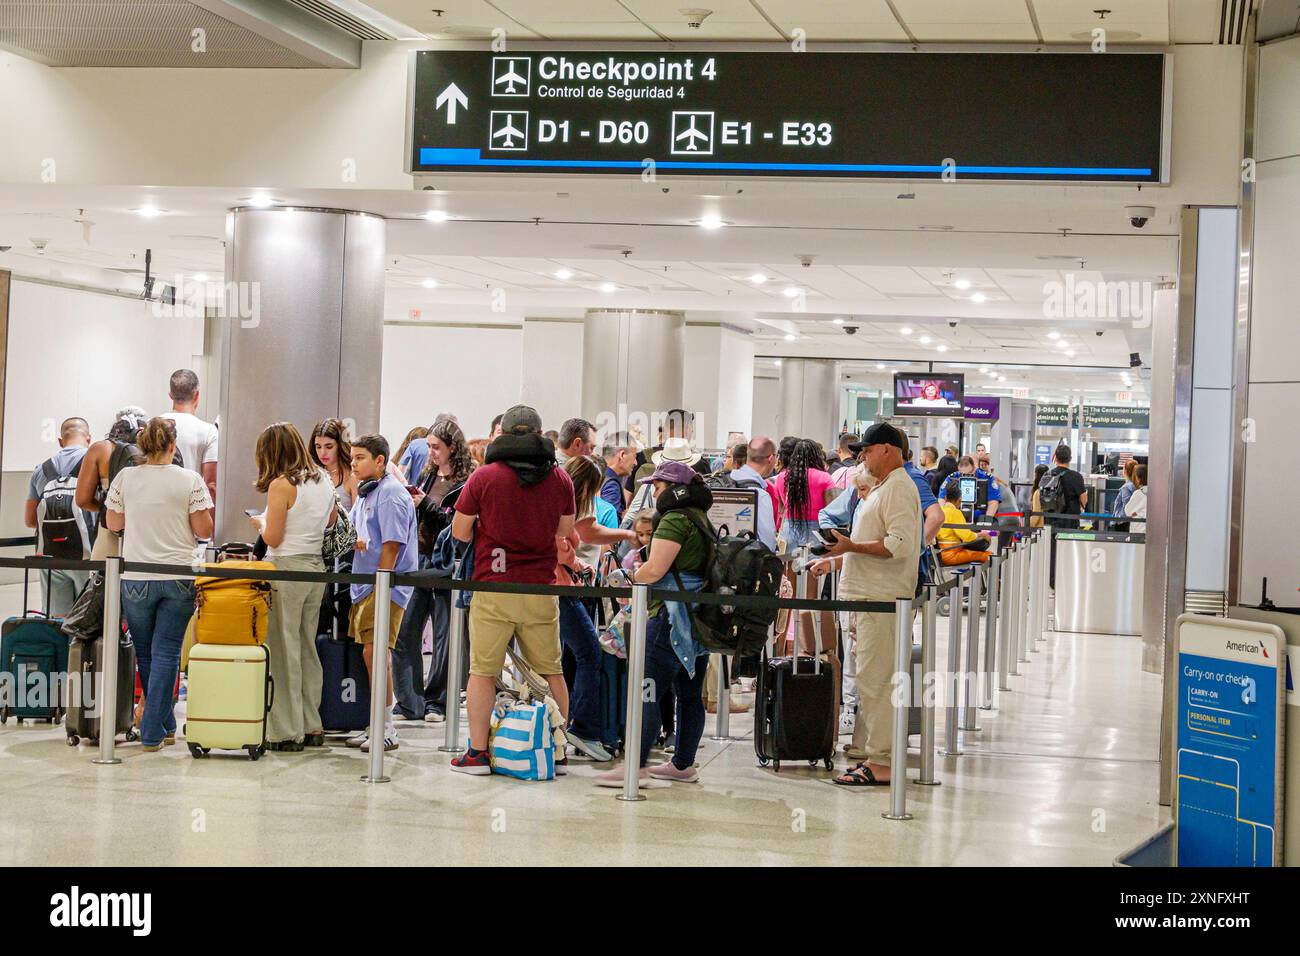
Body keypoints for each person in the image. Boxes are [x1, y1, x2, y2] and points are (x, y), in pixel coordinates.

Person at [449, 405, 575, 776]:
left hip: (494, 585)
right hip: (540, 587)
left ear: (502, 432)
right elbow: (565, 530)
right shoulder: (560, 480)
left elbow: (459, 531)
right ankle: (558, 749)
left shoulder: (485, 476)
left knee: (482, 672)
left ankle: (476, 754)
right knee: (551, 671)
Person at [810, 422, 921, 786]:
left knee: (879, 682)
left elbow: (897, 546)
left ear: (888, 449)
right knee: (869, 681)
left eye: (867, 450)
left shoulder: (899, 489)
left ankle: (884, 762)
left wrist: (849, 548)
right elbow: (871, 545)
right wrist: (836, 559)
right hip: (865, 599)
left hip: (882, 602)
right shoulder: (880, 489)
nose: (862, 457)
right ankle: (874, 755)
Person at [596, 461, 715, 786]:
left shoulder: (675, 520)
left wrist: (629, 575)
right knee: (689, 694)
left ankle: (636, 765)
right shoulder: (701, 518)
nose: (654, 492)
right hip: (697, 618)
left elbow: (654, 570)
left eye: (659, 487)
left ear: (674, 489)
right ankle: (682, 764)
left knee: (645, 689)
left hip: (668, 619)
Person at [103, 417, 213, 752]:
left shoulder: (125, 477)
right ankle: (155, 728)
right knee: (167, 652)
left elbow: (113, 522)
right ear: (172, 445)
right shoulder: (190, 480)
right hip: (178, 577)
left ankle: (162, 724)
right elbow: (204, 530)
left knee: (147, 653)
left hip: (136, 576)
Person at [248, 422, 336, 752]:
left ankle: (285, 731)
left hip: (285, 568)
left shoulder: (281, 484)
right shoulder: (323, 479)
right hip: (315, 569)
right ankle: (311, 724)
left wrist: (261, 522)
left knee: (283, 652)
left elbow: (273, 538)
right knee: (305, 647)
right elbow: (329, 522)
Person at [394, 417, 476, 723]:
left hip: (447, 564)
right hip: (419, 560)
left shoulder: (466, 482)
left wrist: (426, 505)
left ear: (452, 448)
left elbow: (458, 526)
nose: (431, 452)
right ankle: (408, 700)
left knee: (445, 636)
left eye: (436, 446)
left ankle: (438, 701)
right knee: (406, 631)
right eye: (428, 446)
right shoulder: (428, 475)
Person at [556, 455, 637, 760]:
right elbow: (566, 543)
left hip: (563, 586)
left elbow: (584, 534)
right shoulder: (565, 508)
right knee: (589, 652)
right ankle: (583, 728)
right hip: (561, 588)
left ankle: (565, 726)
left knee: (568, 657)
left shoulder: (565, 505)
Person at [345, 434, 419, 754]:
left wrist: (382, 583)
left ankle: (387, 727)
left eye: (360, 457)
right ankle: (375, 722)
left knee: (377, 654)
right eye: (352, 458)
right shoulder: (365, 493)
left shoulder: (390, 494)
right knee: (368, 653)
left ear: (379, 461)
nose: (353, 463)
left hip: (383, 586)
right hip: (364, 585)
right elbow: (356, 532)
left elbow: (392, 545)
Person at [26, 416, 93, 615]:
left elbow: (30, 521)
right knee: (87, 621)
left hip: (50, 557)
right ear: (89, 439)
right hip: (87, 556)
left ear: (60, 441)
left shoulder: (41, 470)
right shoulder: (94, 465)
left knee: (57, 620)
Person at [75, 407, 148, 561]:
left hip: (109, 533)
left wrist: (107, 509)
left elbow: (82, 500)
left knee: (105, 580)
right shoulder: (153, 449)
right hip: (145, 533)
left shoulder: (100, 449)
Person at [161, 369, 218, 507]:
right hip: (189, 513)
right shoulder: (208, 431)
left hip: (154, 511)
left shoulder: (152, 425)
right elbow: (211, 485)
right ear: (196, 395)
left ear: (170, 395)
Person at [936, 482, 995, 565]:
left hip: (939, 555)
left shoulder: (940, 511)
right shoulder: (955, 512)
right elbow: (967, 537)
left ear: (945, 498)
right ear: (959, 500)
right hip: (952, 554)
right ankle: (995, 578)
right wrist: (982, 534)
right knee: (988, 555)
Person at [310, 418, 358, 511]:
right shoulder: (313, 474)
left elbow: (358, 520)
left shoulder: (353, 477)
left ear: (341, 445)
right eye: (318, 447)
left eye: (329, 447)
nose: (322, 453)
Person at [938, 455, 1002, 521]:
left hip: (981, 516)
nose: (966, 476)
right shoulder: (952, 478)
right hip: (957, 515)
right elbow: (942, 498)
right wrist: (945, 517)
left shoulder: (987, 478)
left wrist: (987, 521)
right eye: (962, 474)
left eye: (969, 473)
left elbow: (993, 502)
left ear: (974, 468)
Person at [599, 433, 637, 519]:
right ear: (622, 455)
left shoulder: (595, 475)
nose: (635, 463)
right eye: (634, 456)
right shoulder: (611, 485)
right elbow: (610, 524)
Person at [1029, 463, 1049, 528]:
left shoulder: (1039, 492)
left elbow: (1036, 515)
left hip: (1039, 530)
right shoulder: (1052, 491)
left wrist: (1027, 527)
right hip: (1050, 527)